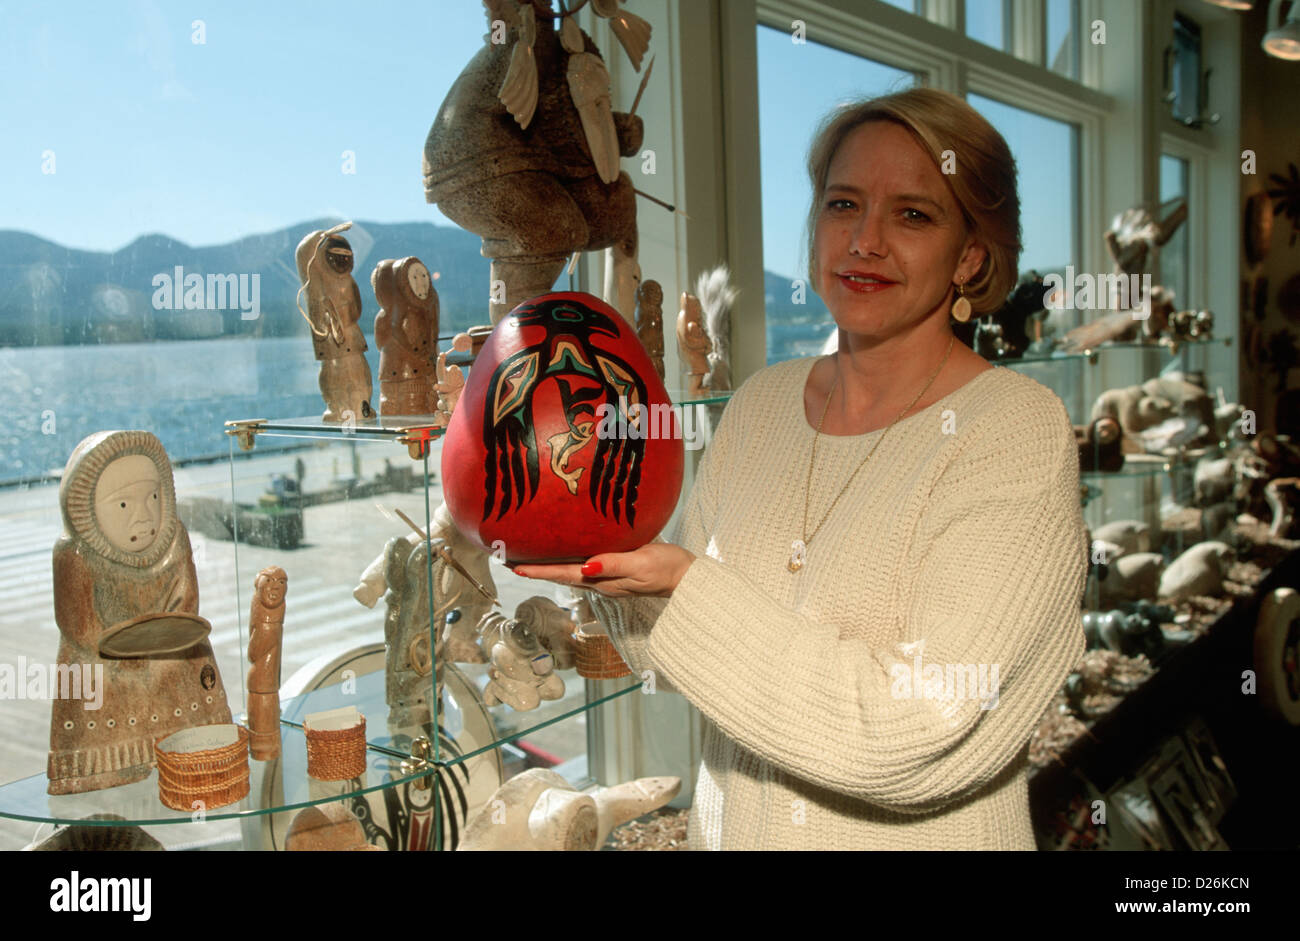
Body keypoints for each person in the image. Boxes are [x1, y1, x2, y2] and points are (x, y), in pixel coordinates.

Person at [513, 88, 1088, 850]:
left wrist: (683, 583)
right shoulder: (759, 406)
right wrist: (596, 551)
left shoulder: (1012, 431)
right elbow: (682, 655)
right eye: (844, 204)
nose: (866, 240)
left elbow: (910, 731)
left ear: (972, 256)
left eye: (913, 214)